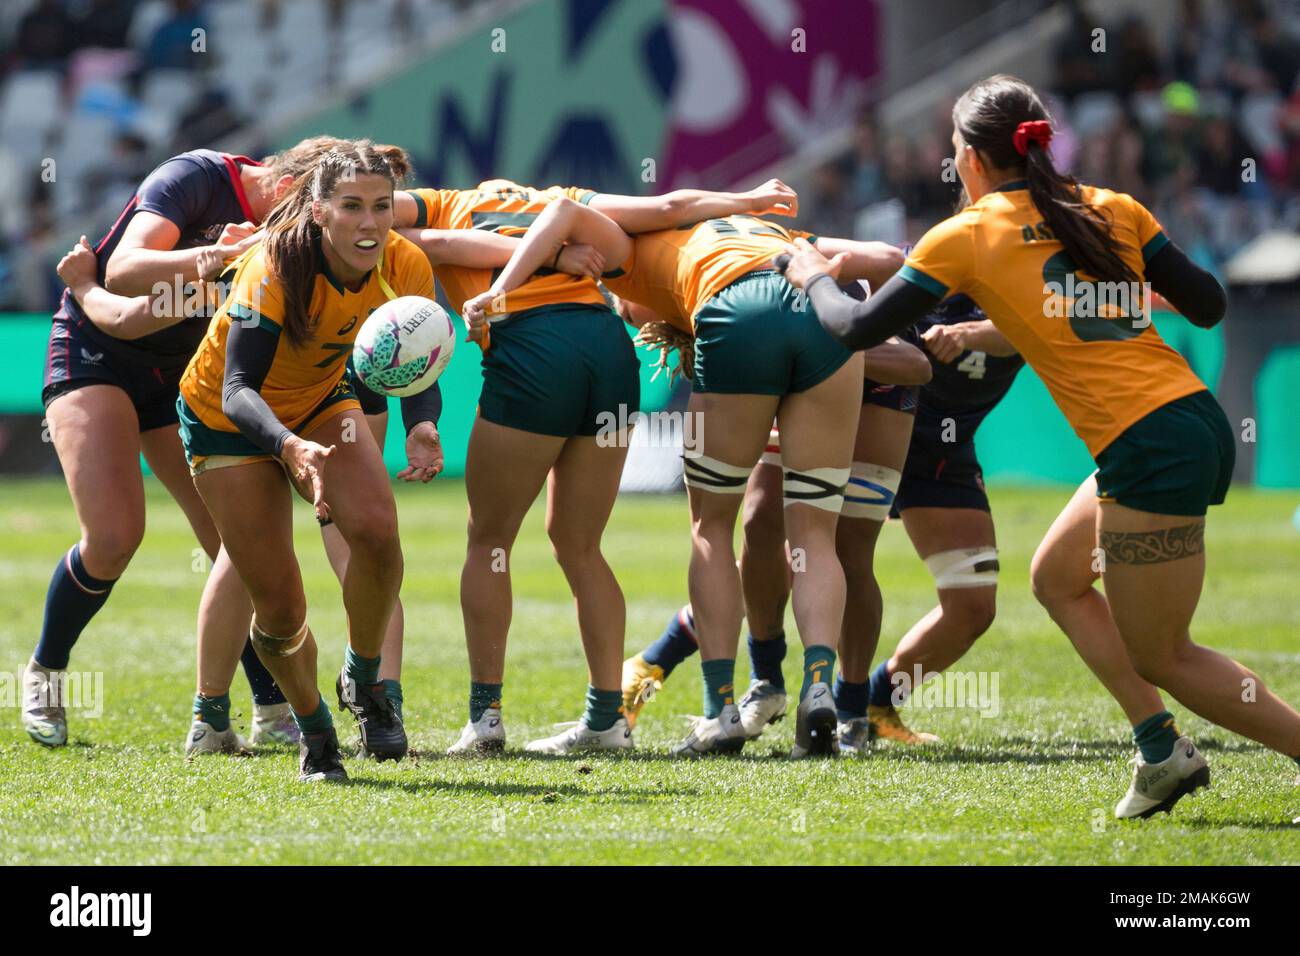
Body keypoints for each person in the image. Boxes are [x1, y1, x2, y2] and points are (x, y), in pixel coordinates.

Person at [780, 73, 1300, 817]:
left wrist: (810, 275)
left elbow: (856, 329)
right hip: (1186, 419)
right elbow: (1209, 307)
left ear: (967, 158)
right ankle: (1160, 751)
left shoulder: (968, 234)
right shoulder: (1108, 206)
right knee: (1057, 578)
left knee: (1166, 653)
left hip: (1148, 447)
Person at [459, 197, 902, 757]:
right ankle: (819, 688)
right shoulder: (767, 230)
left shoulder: (630, 248)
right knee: (813, 532)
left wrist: (502, 288)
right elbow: (887, 257)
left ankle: (721, 714)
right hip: (819, 304)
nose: (632, 317)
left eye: (621, 308)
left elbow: (564, 211)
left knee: (711, 525)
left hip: (735, 306)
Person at [399, 178, 804, 755]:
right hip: (612, 356)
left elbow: (424, 241)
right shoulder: (569, 199)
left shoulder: (442, 203)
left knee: (489, 540)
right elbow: (671, 206)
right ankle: (607, 720)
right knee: (580, 544)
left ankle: (485, 719)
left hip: (533, 350)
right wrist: (747, 199)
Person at [23, 140, 338, 750]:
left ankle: (270, 710)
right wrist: (213, 257)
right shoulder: (196, 177)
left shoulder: (276, 250)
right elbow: (124, 286)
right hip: (97, 350)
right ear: (288, 184)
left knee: (238, 543)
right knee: (114, 537)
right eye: (309, 215)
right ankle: (46, 675)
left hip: (182, 375)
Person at [176, 140, 445, 782]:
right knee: (280, 605)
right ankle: (316, 732)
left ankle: (364, 677)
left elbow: (415, 357)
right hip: (227, 421)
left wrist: (424, 424)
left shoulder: (403, 264)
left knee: (378, 535)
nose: (370, 222)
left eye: (381, 206)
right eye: (351, 206)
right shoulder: (277, 264)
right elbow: (238, 389)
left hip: (324, 400)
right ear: (319, 210)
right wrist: (289, 447)